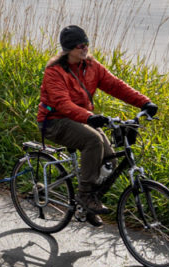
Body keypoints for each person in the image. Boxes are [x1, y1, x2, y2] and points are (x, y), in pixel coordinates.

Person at [37, 25, 158, 224]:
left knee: (110, 159)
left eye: (87, 44)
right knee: (93, 141)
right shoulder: (55, 72)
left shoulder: (92, 66)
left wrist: (144, 102)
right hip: (54, 121)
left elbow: (115, 85)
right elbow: (63, 104)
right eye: (80, 45)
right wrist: (89, 116)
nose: (85, 48)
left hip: (80, 119)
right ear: (68, 49)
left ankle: (90, 203)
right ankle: (85, 195)